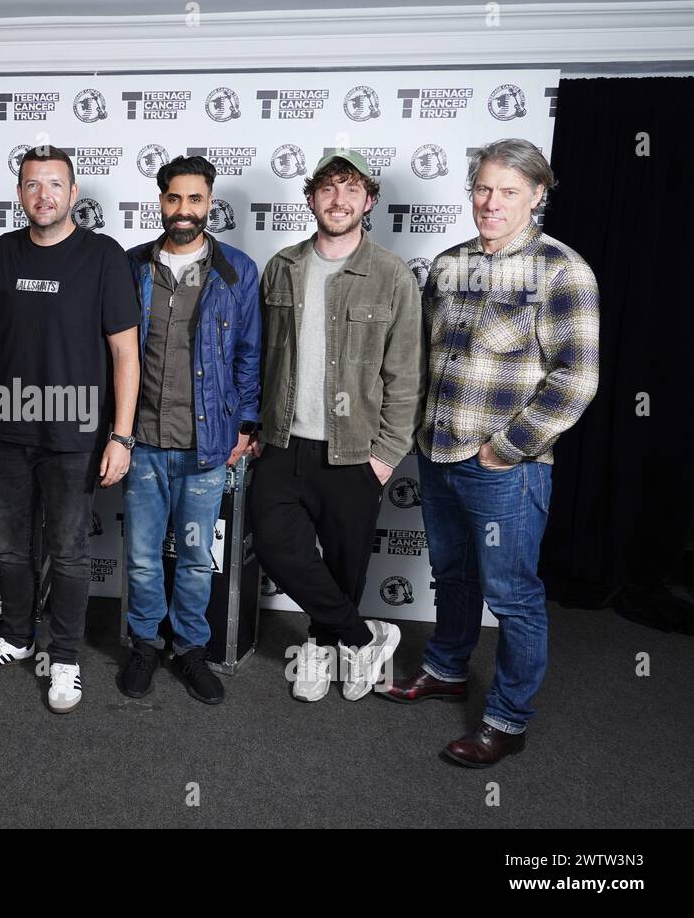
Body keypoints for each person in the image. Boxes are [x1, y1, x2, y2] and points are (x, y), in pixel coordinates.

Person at [383, 139, 599, 767]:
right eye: (483, 188)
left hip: (504, 469)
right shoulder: (450, 264)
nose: (491, 202)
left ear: (537, 196)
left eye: (508, 191)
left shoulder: (564, 271)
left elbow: (575, 379)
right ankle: (448, 669)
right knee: (453, 577)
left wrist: (506, 449)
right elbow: (426, 361)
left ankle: (507, 718)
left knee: (512, 597)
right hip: (439, 453)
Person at [0, 146, 141, 713]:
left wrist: (122, 434)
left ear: (73, 193)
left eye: (55, 184)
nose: (44, 195)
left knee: (67, 553)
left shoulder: (103, 256)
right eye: (33, 185)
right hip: (8, 430)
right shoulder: (3, 252)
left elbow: (125, 354)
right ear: (20, 194)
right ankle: (15, 637)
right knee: (11, 549)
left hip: (76, 435)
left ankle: (64, 657)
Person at [249, 149, 425, 703]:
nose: (339, 199)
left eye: (351, 189)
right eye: (328, 188)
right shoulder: (282, 265)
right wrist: (252, 425)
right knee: (279, 549)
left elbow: (405, 374)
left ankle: (323, 653)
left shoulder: (392, 275)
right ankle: (364, 635)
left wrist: (386, 455)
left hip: (355, 450)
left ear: (368, 200)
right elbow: (259, 357)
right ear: (310, 198)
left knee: (346, 563)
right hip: (282, 443)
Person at [120, 155, 261, 705]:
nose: (184, 210)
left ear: (210, 203)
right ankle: (146, 644)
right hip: (142, 442)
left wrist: (246, 424)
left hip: (207, 444)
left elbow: (250, 354)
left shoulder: (237, 271)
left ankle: (191, 649)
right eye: (174, 198)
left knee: (199, 556)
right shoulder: (131, 267)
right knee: (141, 554)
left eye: (195, 199)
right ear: (161, 202)